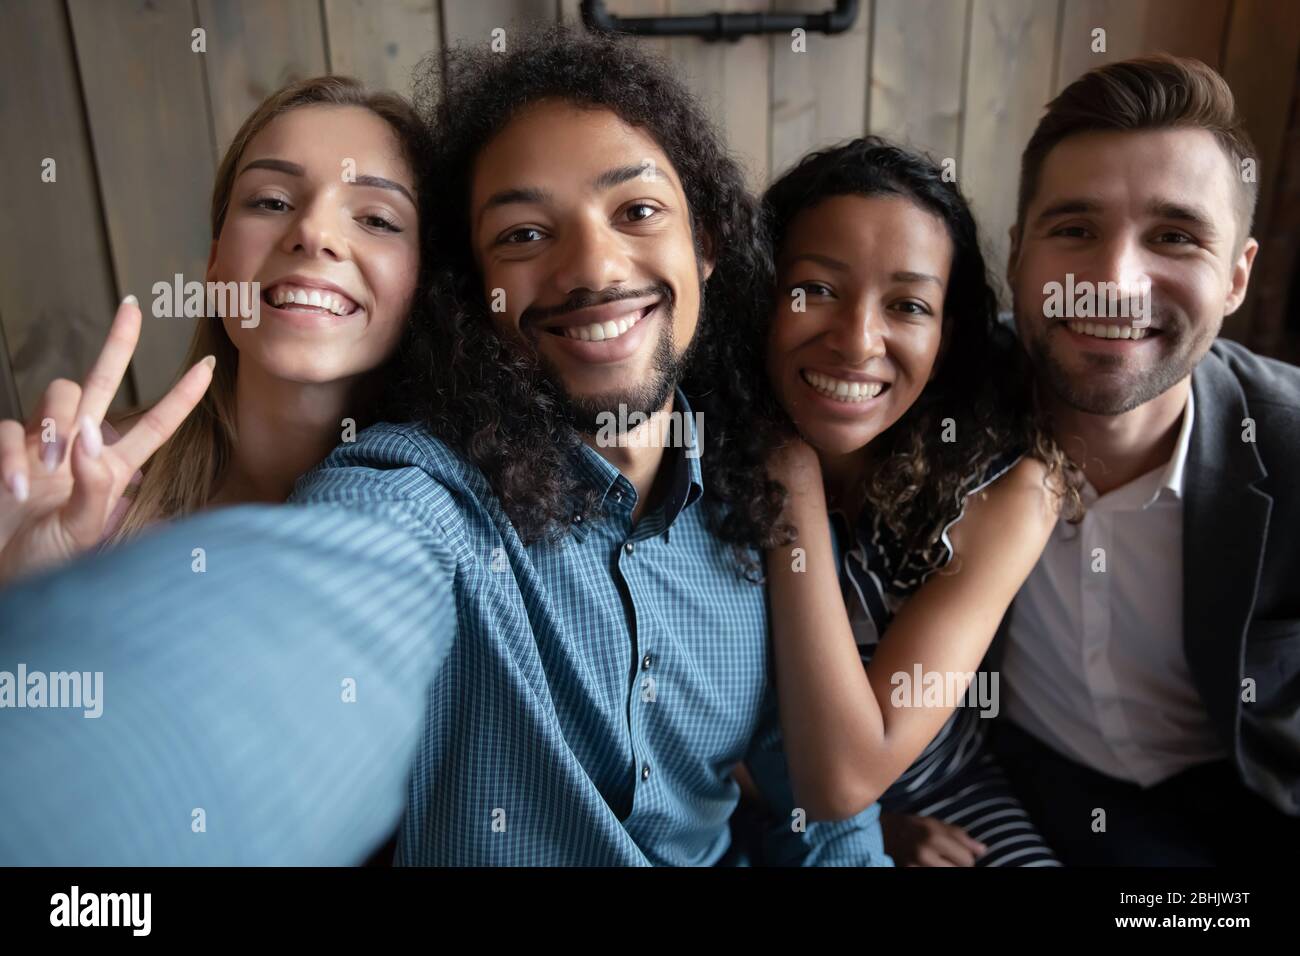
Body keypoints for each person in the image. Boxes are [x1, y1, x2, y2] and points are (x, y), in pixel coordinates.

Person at [0, 26, 888, 867]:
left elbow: (827, 822)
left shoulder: (754, 498)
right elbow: (307, 631)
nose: (593, 266)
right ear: (471, 295)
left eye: (639, 209)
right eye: (524, 234)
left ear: (706, 247)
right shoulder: (425, 495)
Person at [989, 53, 1300, 865]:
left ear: (1237, 276)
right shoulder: (935, 409)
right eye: (1076, 229)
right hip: (1031, 787)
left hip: (1250, 803)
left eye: (1174, 236)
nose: (1115, 284)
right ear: (1019, 253)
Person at [741, 138, 1071, 866]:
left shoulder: (1010, 488)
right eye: (817, 289)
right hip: (739, 800)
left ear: (946, 337)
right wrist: (792, 481)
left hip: (947, 792)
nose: (858, 341)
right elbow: (684, 723)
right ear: (762, 295)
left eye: (908, 304)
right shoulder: (690, 451)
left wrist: (790, 478)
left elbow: (856, 771)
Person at [0, 75, 427, 582]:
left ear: (427, 281)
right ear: (215, 263)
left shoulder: (449, 523)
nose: (314, 232)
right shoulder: (77, 486)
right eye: (271, 201)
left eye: (378, 219)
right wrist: (18, 584)